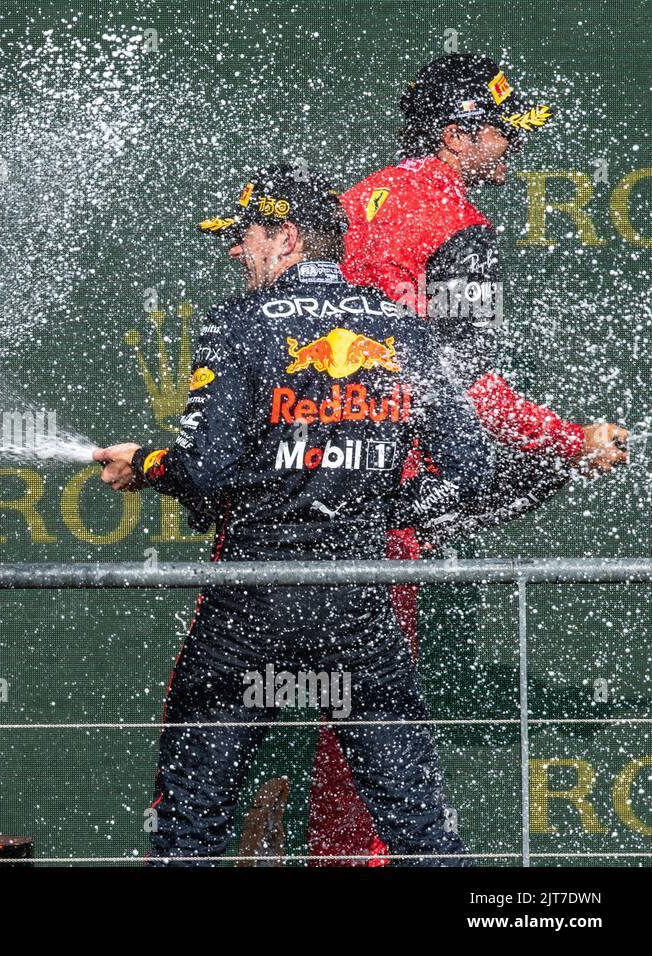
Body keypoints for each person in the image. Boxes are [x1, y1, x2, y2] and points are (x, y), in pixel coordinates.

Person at [95, 164, 491, 864]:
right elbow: (472, 471)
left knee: (191, 819)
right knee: (419, 825)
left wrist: (148, 464)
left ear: (285, 236)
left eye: (242, 235)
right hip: (358, 604)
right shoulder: (402, 326)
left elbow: (205, 469)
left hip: (254, 600)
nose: (232, 251)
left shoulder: (238, 323)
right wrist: (385, 509)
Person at [308, 53, 629, 866]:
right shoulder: (457, 223)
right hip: (385, 487)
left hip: (304, 465)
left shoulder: (360, 196)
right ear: (457, 135)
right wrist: (570, 440)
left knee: (317, 699)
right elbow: (462, 383)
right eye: (502, 133)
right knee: (372, 702)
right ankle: (361, 860)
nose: (512, 147)